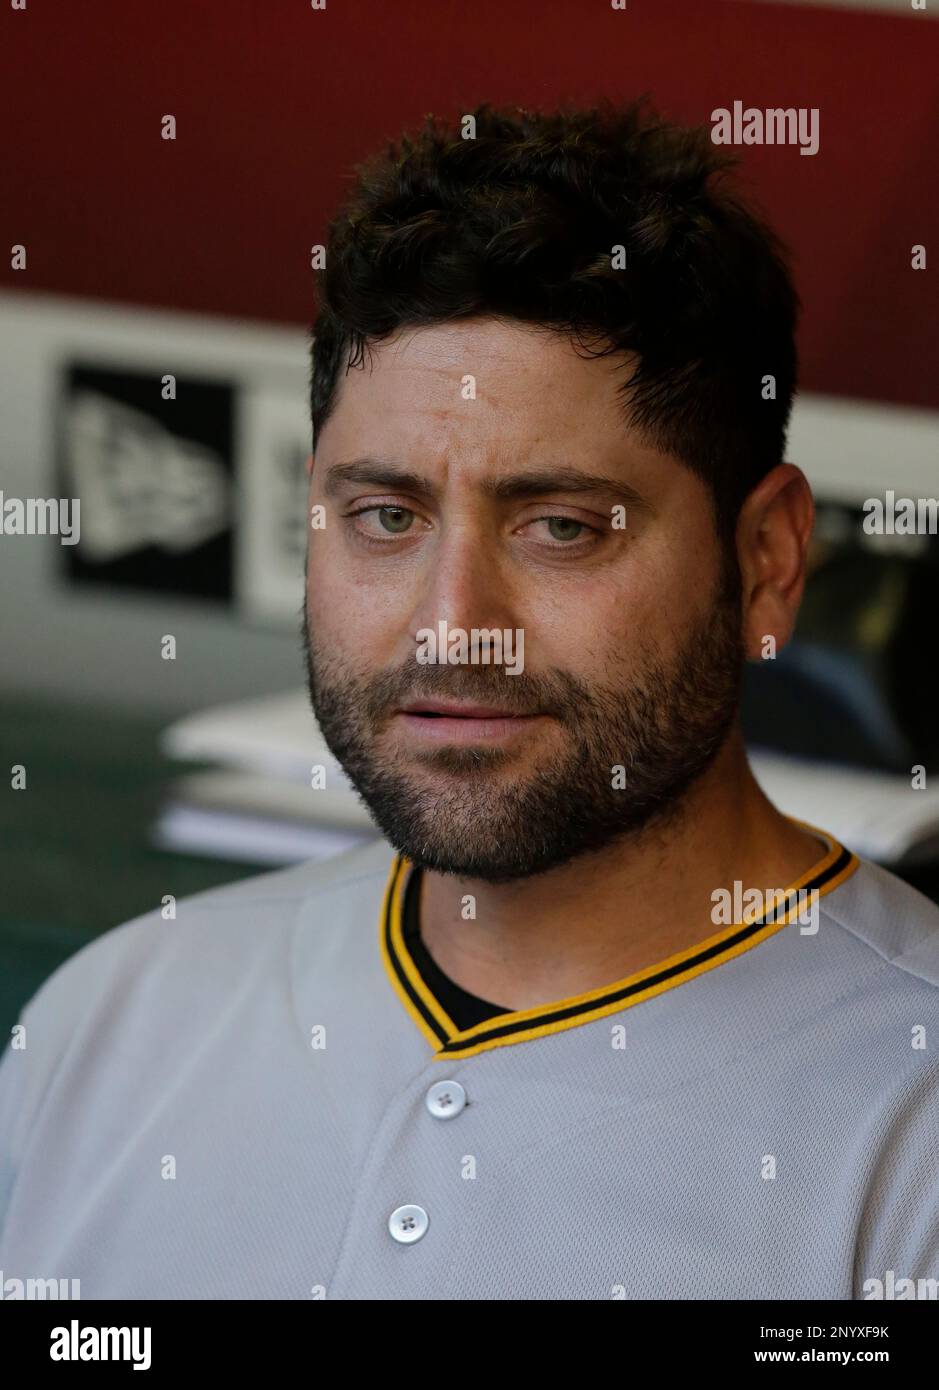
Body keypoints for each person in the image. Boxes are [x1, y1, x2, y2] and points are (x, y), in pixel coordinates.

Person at [2, 100, 937, 1301]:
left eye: (561, 527)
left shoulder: (906, 1128)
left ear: (765, 559)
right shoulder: (110, 1025)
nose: (453, 625)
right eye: (386, 517)